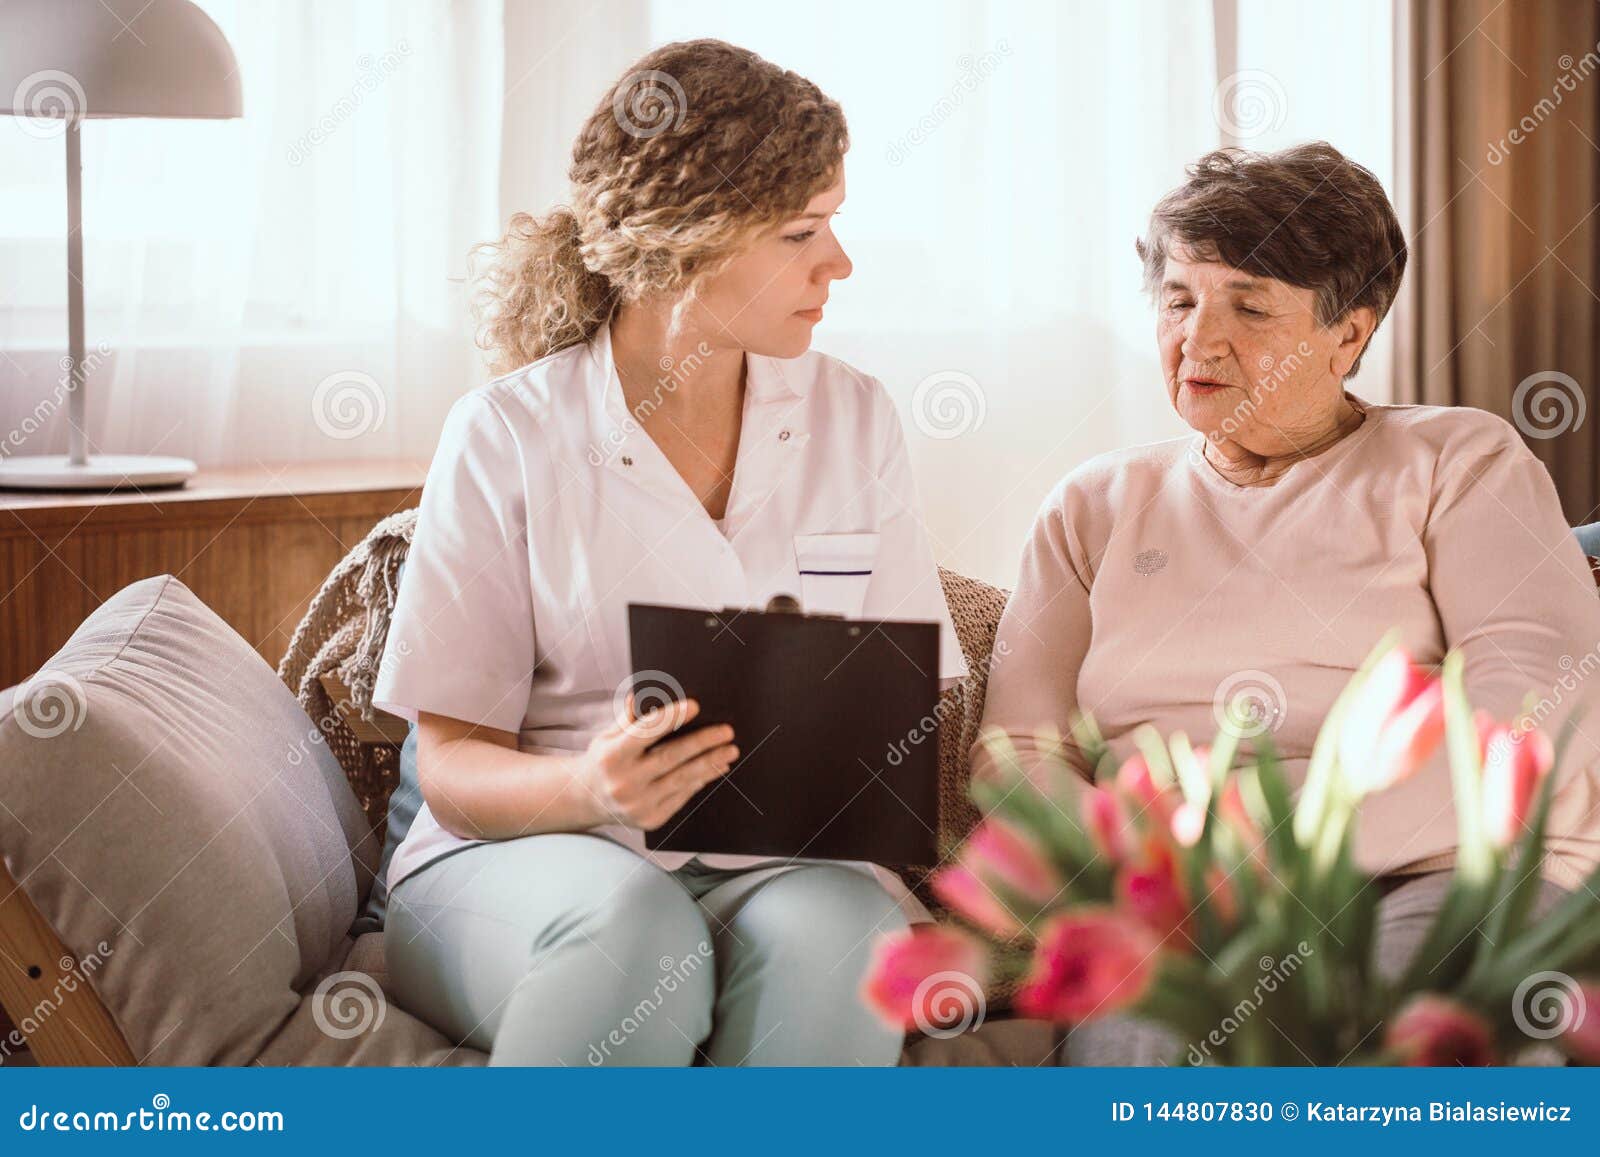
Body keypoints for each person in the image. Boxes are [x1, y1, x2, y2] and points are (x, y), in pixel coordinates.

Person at [371, 39, 965, 1067]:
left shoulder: (854, 415)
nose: (839, 262)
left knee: (847, 941)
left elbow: (909, 695)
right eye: (801, 231)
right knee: (633, 937)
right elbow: (457, 763)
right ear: (685, 244)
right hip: (521, 854)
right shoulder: (507, 431)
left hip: (769, 861)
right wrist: (592, 790)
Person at [977, 141, 1600, 1064]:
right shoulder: (1095, 505)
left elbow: (1534, 706)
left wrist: (1267, 847)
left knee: (1374, 1043)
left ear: (1350, 331)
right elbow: (1018, 752)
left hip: (1442, 870)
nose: (1199, 339)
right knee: (1141, 1054)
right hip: (1188, 906)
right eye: (1180, 299)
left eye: (1250, 306)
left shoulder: (1457, 460)